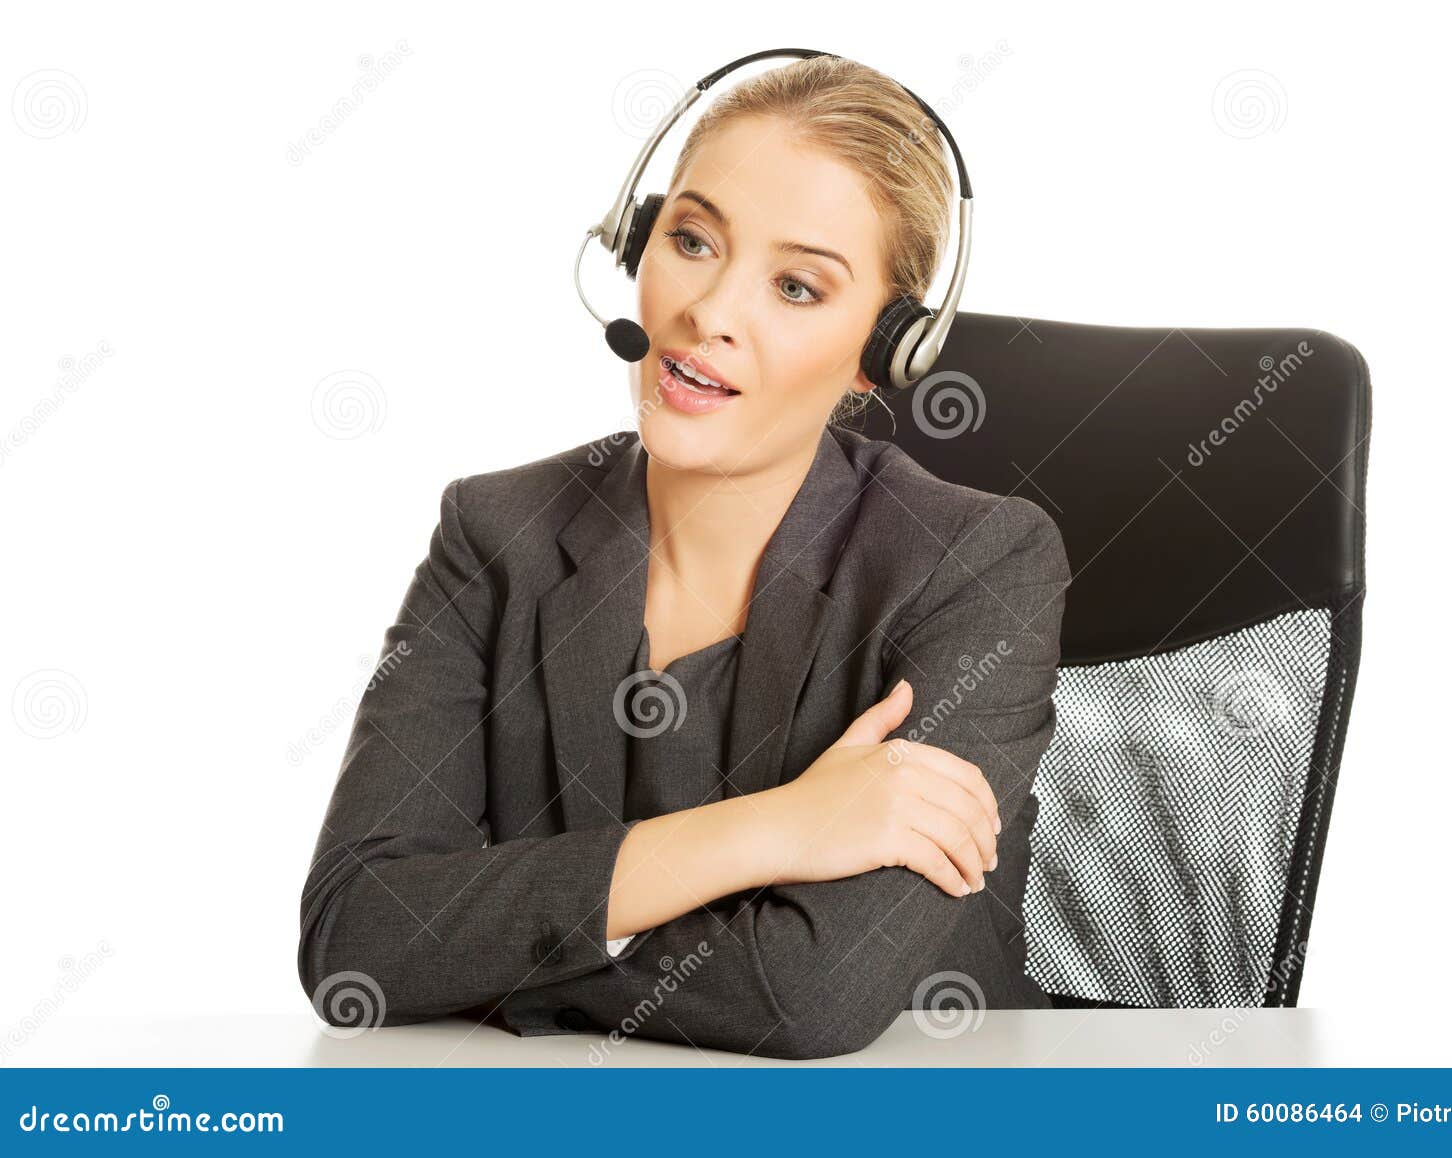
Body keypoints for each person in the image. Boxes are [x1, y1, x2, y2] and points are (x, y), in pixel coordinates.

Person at [298, 55, 1070, 1061]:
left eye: (796, 286)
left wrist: (489, 954)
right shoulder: (497, 534)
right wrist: (781, 828)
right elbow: (358, 938)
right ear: (636, 242)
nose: (711, 311)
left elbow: (808, 997)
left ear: (884, 351)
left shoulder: (974, 565)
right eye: (693, 240)